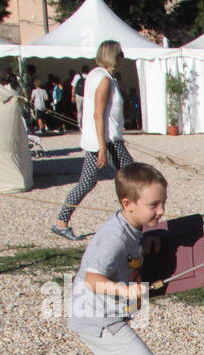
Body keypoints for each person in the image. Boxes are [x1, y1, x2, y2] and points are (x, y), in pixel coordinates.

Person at [68, 162, 171, 355]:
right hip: (97, 316)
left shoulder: (132, 227)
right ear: (128, 203)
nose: (161, 210)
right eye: (154, 204)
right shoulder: (112, 236)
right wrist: (125, 290)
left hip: (94, 315)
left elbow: (129, 250)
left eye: (163, 202)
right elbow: (93, 278)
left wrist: (145, 245)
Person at [53, 41, 135, 241]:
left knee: (88, 182)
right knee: (134, 178)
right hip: (106, 141)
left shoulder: (97, 75)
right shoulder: (105, 80)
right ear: (113, 56)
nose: (123, 57)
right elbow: (98, 115)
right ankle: (136, 222)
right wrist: (102, 148)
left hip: (104, 139)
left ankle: (61, 222)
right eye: (121, 54)